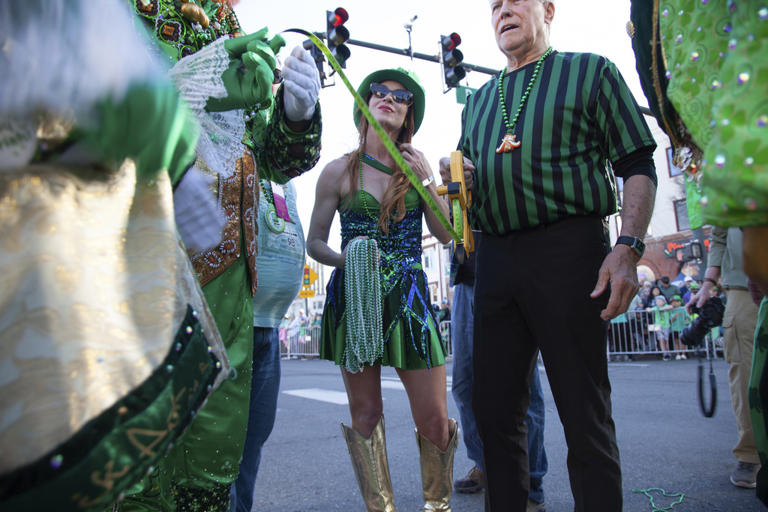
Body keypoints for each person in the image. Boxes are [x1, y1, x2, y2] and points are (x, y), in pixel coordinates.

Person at [0, 1, 229, 509]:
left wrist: (298, 116)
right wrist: (166, 139)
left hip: (225, 286)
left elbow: (275, 154)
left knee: (222, 461)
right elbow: (81, 40)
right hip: (83, 245)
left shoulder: (234, 30)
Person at [445, 1, 658, 509]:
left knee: (583, 409)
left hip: (569, 251)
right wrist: (459, 186)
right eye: (493, 6)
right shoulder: (477, 102)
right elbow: (464, 187)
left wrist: (628, 246)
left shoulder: (591, 72)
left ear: (548, 10)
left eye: (514, 1)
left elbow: (637, 163)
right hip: (494, 260)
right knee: (494, 411)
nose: (502, 11)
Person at [123, 3, 322, 509]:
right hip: (130, 290)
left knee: (209, 477)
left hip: (229, 299)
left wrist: (295, 117)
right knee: (134, 478)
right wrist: (179, 92)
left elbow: (264, 155)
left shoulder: (224, 19)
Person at [307, 67, 457, 511]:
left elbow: (448, 234)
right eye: (378, 91)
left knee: (433, 418)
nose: (388, 97)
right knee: (366, 415)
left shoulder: (417, 170)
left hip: (409, 300)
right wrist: (349, 259)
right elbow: (315, 241)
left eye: (400, 95)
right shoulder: (337, 171)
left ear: (409, 113)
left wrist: (429, 181)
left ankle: (437, 506)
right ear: (364, 105)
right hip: (357, 299)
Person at [448, 242, 548, 512]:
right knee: (464, 384)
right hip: (466, 276)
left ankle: (531, 484)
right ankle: (486, 465)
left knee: (522, 386)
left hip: (508, 268)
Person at [686, 227, 760, 488]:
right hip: (743, 285)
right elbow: (718, 236)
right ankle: (751, 453)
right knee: (746, 373)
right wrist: (708, 283)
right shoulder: (728, 186)